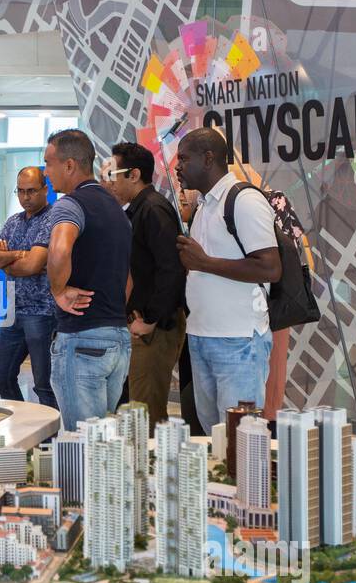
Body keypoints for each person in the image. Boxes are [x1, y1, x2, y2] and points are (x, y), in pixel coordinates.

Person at [175, 127, 281, 436]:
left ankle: (246, 487)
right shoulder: (206, 205)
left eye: (184, 158)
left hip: (239, 342)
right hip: (201, 336)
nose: (178, 167)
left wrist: (204, 263)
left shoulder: (244, 200)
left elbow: (270, 268)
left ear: (208, 159)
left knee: (241, 439)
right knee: (215, 436)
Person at [43, 128, 132, 432]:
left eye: (49, 163)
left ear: (69, 165)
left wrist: (58, 290)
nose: (46, 172)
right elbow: (128, 276)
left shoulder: (69, 205)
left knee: (87, 446)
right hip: (118, 338)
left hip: (83, 339)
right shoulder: (116, 209)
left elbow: (58, 249)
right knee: (105, 442)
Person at [106, 141, 186, 430]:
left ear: (134, 174)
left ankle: (152, 470)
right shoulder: (135, 210)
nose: (110, 182)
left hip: (155, 327)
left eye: (114, 174)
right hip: (140, 322)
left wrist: (151, 319)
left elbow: (172, 269)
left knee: (146, 413)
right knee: (135, 408)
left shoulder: (153, 209)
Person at [0, 166, 58, 409]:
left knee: (44, 385)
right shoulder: (13, 222)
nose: (26, 197)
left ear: (45, 190)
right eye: (21, 191)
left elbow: (33, 265)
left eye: (32, 191)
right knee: (2, 376)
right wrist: (18, 256)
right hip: (14, 311)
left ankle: (52, 440)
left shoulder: (53, 218)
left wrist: (5, 260)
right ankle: (25, 423)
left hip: (43, 312)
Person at [262, 185, 309, 424]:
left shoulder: (273, 200)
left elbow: (298, 255)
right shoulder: (206, 204)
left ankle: (269, 431)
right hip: (235, 308)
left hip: (274, 302)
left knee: (273, 372)